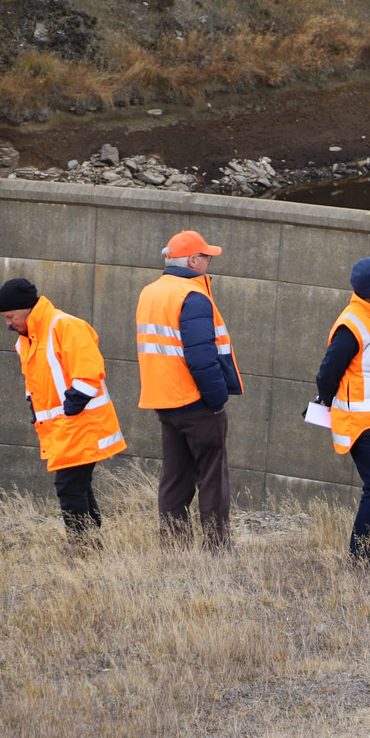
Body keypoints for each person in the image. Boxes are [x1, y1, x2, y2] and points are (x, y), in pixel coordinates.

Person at [0, 278, 127, 546]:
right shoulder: (27, 339)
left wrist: (70, 410)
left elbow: (88, 374)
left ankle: (82, 547)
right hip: (63, 427)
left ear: (27, 308)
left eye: (10, 316)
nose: (8, 323)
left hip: (79, 424)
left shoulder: (64, 325)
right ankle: (92, 542)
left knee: (69, 487)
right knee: (78, 486)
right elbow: (35, 385)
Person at [135, 230, 242, 549]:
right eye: (206, 256)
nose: (209, 261)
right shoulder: (192, 296)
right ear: (192, 260)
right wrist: (217, 400)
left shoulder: (150, 292)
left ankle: (174, 547)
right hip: (196, 402)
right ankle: (217, 547)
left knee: (174, 479)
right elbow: (201, 356)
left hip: (164, 401)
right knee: (212, 477)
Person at [316, 257, 370, 562]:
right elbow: (326, 376)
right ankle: (361, 555)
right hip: (363, 423)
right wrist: (329, 403)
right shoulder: (351, 325)